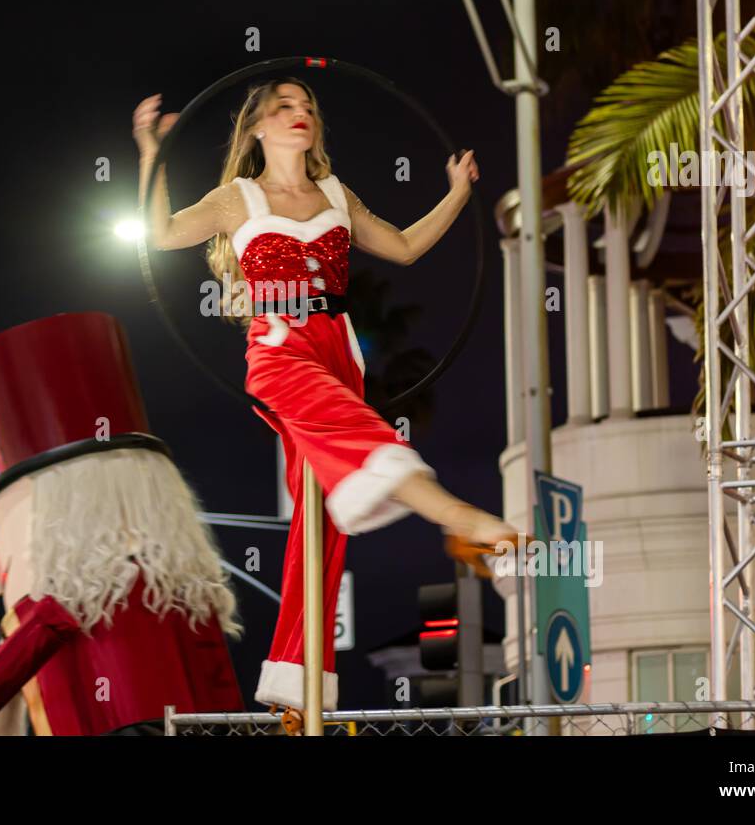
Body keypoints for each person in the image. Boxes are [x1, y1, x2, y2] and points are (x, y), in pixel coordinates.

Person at [133, 77, 520, 721]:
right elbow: (161, 234)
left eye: (308, 107)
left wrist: (455, 194)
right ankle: (456, 515)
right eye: (283, 107)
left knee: (320, 523)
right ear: (256, 126)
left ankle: (296, 682)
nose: (299, 115)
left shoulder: (338, 194)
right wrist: (153, 153)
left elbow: (403, 246)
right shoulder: (240, 199)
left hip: (338, 350)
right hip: (280, 346)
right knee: (355, 438)